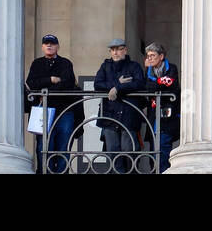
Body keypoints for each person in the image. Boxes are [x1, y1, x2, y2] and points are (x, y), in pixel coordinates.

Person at [25, 34, 82, 174]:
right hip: (44, 111)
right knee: (44, 146)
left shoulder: (65, 63)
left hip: (64, 111)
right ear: (42, 47)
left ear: (57, 46)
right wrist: (51, 79)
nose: (49, 46)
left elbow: (68, 84)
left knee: (63, 146)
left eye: (52, 43)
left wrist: (45, 90)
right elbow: (31, 83)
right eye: (46, 44)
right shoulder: (36, 63)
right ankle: (45, 172)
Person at [92, 38, 146, 167]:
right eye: (112, 50)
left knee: (129, 151)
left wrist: (117, 88)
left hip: (129, 115)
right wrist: (117, 83)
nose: (115, 53)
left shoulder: (134, 66)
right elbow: (97, 85)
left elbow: (139, 83)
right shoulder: (105, 65)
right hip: (109, 115)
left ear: (125, 50)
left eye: (119, 49)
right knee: (113, 152)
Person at [141, 42, 180, 172]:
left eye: (152, 55)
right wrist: (158, 81)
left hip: (168, 116)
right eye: (148, 56)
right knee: (153, 150)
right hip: (154, 117)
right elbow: (147, 87)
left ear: (161, 56)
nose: (149, 58)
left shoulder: (172, 68)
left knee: (163, 149)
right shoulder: (148, 71)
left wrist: (155, 83)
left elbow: (169, 82)